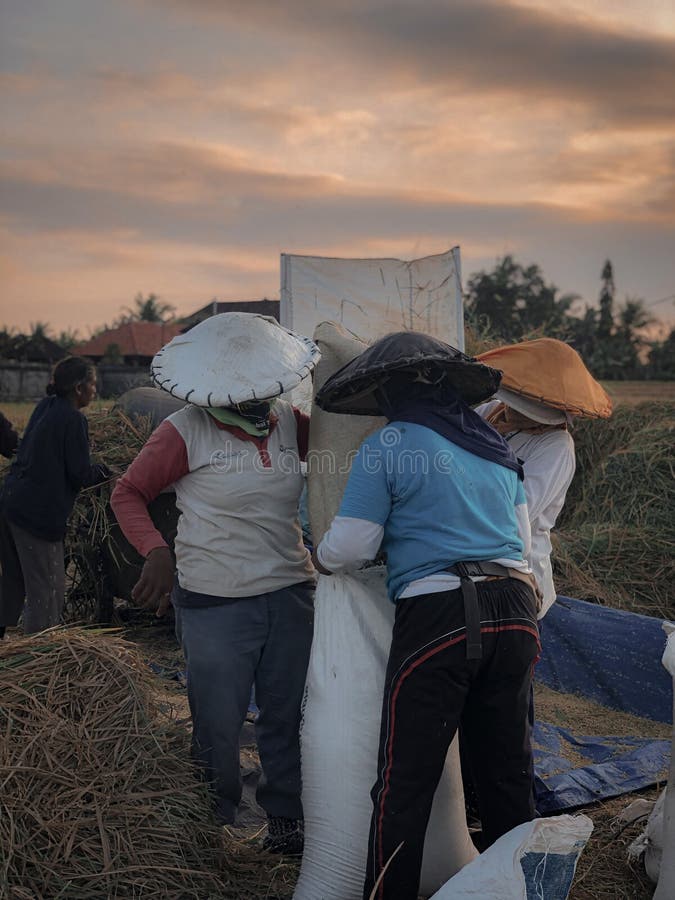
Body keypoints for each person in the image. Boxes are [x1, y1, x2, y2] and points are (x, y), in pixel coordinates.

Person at [312, 332, 541, 900]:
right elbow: (523, 541)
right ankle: (525, 889)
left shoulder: (389, 446)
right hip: (516, 611)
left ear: (390, 395)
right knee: (506, 776)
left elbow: (351, 548)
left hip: (441, 614)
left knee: (404, 779)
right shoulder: (497, 448)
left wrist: (318, 552)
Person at [110, 312, 320, 854]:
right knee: (218, 726)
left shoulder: (291, 423)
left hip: (290, 594)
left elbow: (341, 466)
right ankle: (213, 825)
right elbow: (128, 494)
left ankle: (285, 822)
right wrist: (155, 551)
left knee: (286, 718)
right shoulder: (185, 429)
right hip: (215, 601)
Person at [476, 338, 612, 619]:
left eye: (527, 412)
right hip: (471, 560)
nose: (515, 413)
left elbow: (513, 517)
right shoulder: (489, 413)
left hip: (518, 571)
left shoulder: (557, 446)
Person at [0, 357, 108, 637]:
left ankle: (5, 640)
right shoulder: (73, 419)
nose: (95, 389)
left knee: (14, 579)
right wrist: (107, 472)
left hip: (12, 502)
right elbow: (80, 474)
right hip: (37, 515)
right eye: (93, 383)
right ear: (79, 388)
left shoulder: (45, 406)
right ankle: (40, 654)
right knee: (47, 590)